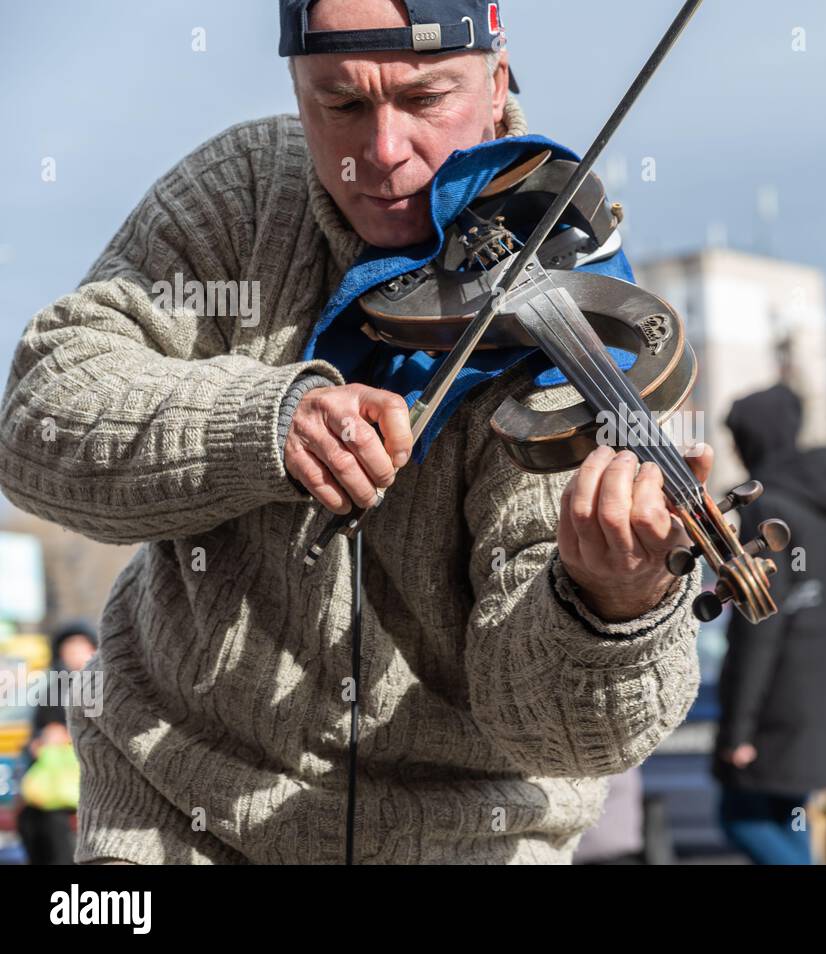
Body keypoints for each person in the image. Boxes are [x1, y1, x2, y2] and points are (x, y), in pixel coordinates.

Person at [0, 0, 708, 864]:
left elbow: (565, 735)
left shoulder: (571, 303)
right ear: (296, 86)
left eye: (425, 99)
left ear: (496, 74)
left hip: (467, 840)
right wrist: (261, 422)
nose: (382, 154)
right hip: (171, 807)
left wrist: (611, 606)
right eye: (340, 104)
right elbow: (38, 415)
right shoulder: (241, 194)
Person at [711, 384, 826, 865]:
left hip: (776, 702)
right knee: (787, 814)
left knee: (742, 818)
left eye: (738, 439)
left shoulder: (766, 507)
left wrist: (739, 728)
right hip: (821, 694)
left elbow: (761, 625)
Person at [17, 621, 98, 865]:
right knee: (31, 820)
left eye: (80, 648)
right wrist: (41, 742)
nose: (74, 655)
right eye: (69, 648)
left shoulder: (104, 686)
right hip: (55, 783)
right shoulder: (54, 690)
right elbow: (36, 734)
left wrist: (69, 738)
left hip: (92, 780)